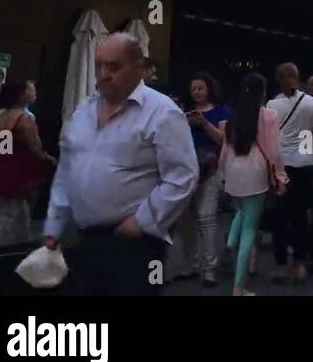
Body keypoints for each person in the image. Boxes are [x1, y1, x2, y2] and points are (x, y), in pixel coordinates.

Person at [43, 33, 199, 295]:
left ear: (139, 68)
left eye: (113, 66)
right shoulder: (83, 110)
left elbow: (182, 176)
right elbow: (67, 170)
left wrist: (143, 221)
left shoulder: (162, 112)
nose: (103, 74)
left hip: (134, 244)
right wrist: (53, 225)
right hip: (83, 239)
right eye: (99, 65)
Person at [219, 73, 287, 296]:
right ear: (263, 92)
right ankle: (239, 287)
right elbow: (274, 152)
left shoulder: (233, 117)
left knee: (241, 211)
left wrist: (222, 175)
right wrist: (280, 176)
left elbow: (224, 149)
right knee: (250, 229)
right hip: (255, 172)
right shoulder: (268, 116)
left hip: (233, 171)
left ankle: (230, 241)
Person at [266, 62, 313, 283]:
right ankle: (300, 264)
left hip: (282, 167)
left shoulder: (272, 104)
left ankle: (281, 265)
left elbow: (268, 139)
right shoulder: (310, 102)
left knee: (280, 218)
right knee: (300, 217)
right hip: (306, 164)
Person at [0, 82, 55, 248]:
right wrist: (49, 161)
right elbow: (35, 149)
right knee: (15, 219)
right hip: (17, 175)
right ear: (21, 95)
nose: (33, 93)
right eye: (29, 90)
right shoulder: (25, 119)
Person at [174, 72, 229, 287]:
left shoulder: (222, 111)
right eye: (193, 88)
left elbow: (223, 140)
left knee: (206, 218)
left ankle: (209, 269)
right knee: (182, 218)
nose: (196, 92)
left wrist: (204, 123)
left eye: (200, 88)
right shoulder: (181, 112)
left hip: (211, 169)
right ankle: (192, 263)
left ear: (209, 89)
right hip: (186, 169)